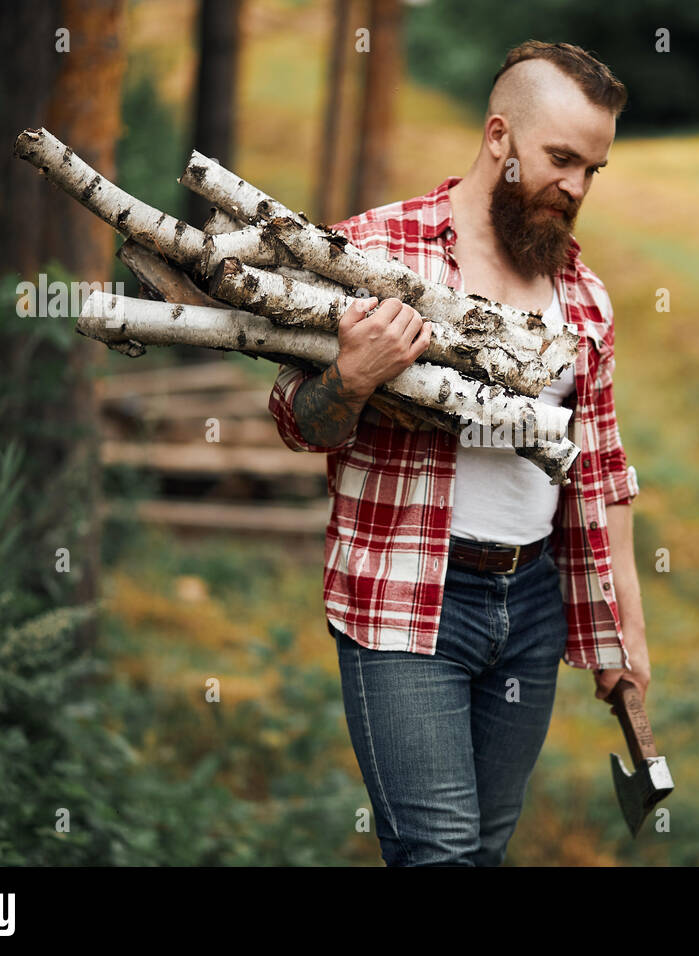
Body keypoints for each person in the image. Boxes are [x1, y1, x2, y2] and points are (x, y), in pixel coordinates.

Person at [268, 40, 648, 866]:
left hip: (533, 608)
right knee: (437, 853)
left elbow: (603, 473)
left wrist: (625, 636)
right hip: (409, 596)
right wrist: (354, 376)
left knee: (481, 849)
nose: (576, 188)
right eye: (560, 159)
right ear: (498, 137)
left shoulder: (581, 297)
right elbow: (299, 421)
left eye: (592, 169)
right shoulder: (371, 254)